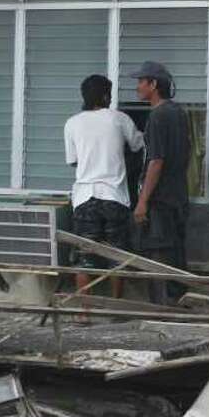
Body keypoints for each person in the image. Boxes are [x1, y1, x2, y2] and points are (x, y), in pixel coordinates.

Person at [63, 74, 144, 299]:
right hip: (114, 196)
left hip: (84, 198)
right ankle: (115, 307)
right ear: (106, 95)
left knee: (83, 256)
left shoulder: (72, 123)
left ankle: (83, 314)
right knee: (117, 256)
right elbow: (138, 144)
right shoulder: (119, 118)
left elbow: (73, 161)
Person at [128, 60, 192, 304]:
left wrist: (142, 201)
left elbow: (156, 161)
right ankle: (178, 303)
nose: (137, 87)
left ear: (153, 84)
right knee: (176, 254)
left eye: (141, 82)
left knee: (157, 254)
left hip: (160, 200)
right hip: (178, 197)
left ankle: (161, 309)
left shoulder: (157, 116)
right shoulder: (179, 113)